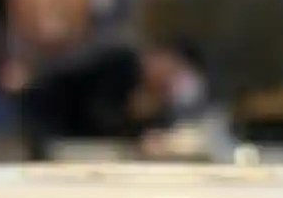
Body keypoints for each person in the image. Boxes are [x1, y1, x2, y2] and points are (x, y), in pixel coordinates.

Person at [19, 37, 207, 159]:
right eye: (170, 69)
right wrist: (133, 114)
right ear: (158, 57)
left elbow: (155, 128)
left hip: (75, 145)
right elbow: (99, 117)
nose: (167, 79)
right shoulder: (120, 62)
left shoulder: (153, 94)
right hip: (46, 126)